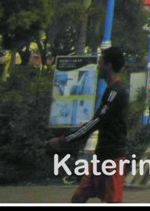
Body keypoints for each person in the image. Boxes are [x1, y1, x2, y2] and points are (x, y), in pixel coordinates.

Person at [48, 47, 130, 203]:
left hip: (113, 158)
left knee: (112, 202)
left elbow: (96, 121)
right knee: (79, 197)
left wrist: (64, 140)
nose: (98, 66)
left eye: (101, 62)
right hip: (101, 157)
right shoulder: (112, 91)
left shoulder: (116, 93)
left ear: (109, 65)